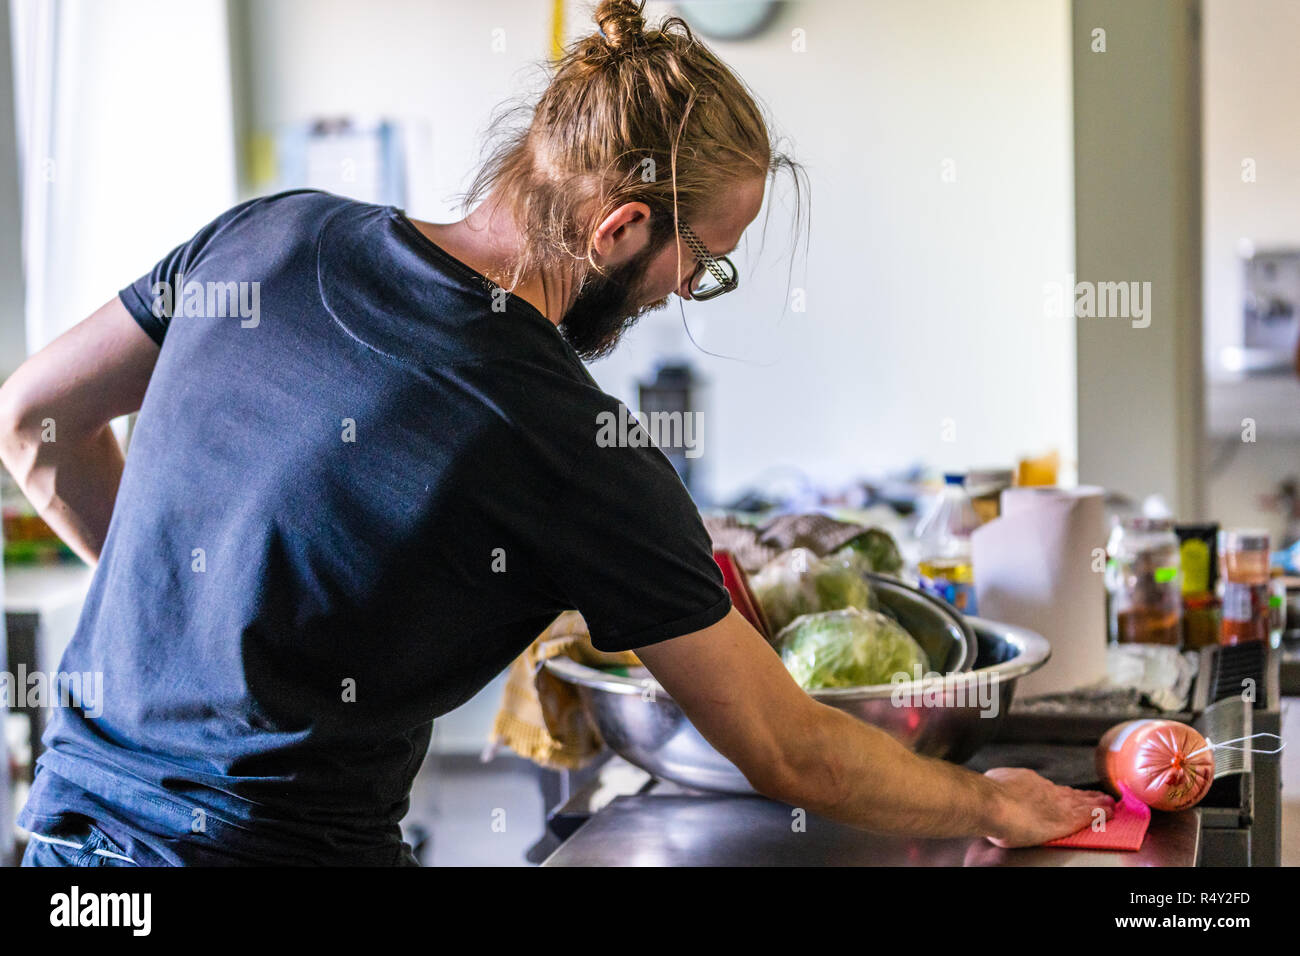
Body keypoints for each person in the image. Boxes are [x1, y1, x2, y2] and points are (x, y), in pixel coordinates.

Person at [0, 0, 1111, 866]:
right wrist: (988, 800)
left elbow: (33, 420)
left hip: (67, 840)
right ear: (622, 226)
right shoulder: (566, 433)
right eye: (701, 263)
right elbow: (785, 744)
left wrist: (185, 594)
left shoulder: (271, 233)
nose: (680, 293)